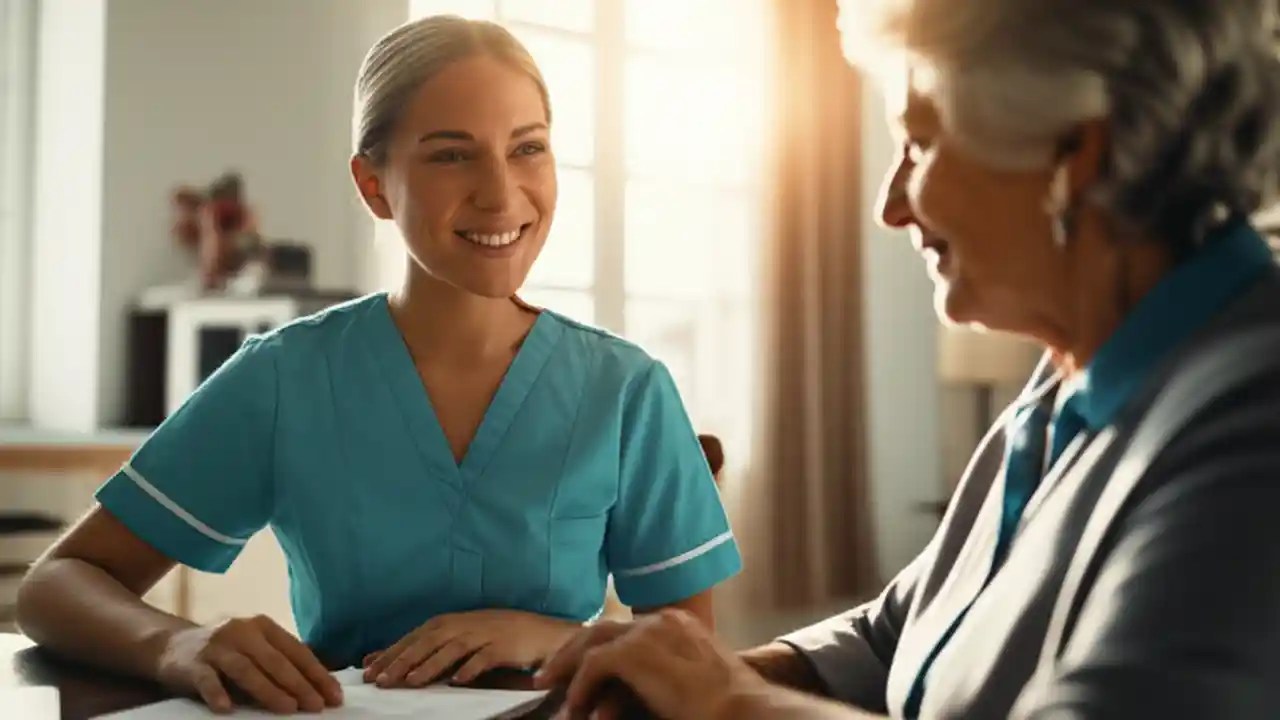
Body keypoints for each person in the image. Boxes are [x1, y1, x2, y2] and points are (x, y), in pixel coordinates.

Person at [535, 0, 1280, 718]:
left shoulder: (1254, 415)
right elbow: (900, 633)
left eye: (920, 146)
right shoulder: (1072, 380)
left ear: (1075, 153)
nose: (890, 205)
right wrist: (698, 678)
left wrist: (729, 705)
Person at [15, 15, 741, 716]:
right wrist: (177, 644)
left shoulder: (627, 390)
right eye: (452, 153)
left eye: (528, 148)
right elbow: (56, 585)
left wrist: (556, 639)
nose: (500, 191)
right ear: (371, 185)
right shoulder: (284, 379)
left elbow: (689, 658)